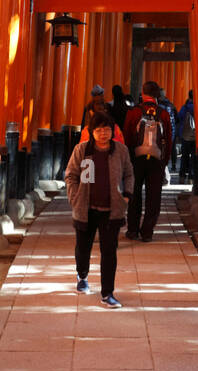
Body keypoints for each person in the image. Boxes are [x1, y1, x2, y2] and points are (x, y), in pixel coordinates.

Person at [64, 111, 134, 308]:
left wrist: (127, 195)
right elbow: (71, 175)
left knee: (109, 252)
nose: (103, 133)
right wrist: (75, 197)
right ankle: (82, 275)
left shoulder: (120, 151)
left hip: (111, 210)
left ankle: (107, 293)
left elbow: (129, 173)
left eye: (107, 129)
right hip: (86, 208)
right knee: (83, 248)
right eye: (99, 130)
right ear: (92, 132)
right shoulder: (83, 150)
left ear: (113, 131)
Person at [122, 82, 173, 242]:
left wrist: (128, 159)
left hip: (136, 159)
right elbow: (169, 139)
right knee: (154, 197)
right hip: (156, 160)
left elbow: (127, 136)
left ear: (143, 93)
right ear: (157, 95)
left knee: (134, 194)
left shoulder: (134, 112)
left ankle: (132, 230)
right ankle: (147, 232)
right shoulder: (163, 114)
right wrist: (164, 161)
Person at [176, 89, 196, 181]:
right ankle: (191, 178)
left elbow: (179, 117)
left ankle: (182, 177)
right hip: (196, 136)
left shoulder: (185, 107)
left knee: (184, 156)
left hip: (185, 136)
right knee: (194, 157)